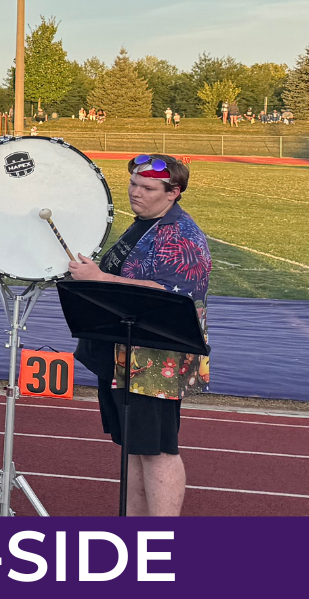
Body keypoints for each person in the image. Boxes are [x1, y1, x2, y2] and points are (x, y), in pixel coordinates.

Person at [69, 154, 210, 517]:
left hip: (155, 359)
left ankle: (161, 539)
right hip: (125, 352)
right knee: (135, 448)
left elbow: (171, 294)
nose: (135, 192)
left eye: (147, 187)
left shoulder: (181, 235)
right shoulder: (145, 224)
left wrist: (100, 279)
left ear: (173, 193)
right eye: (133, 183)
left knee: (159, 450)